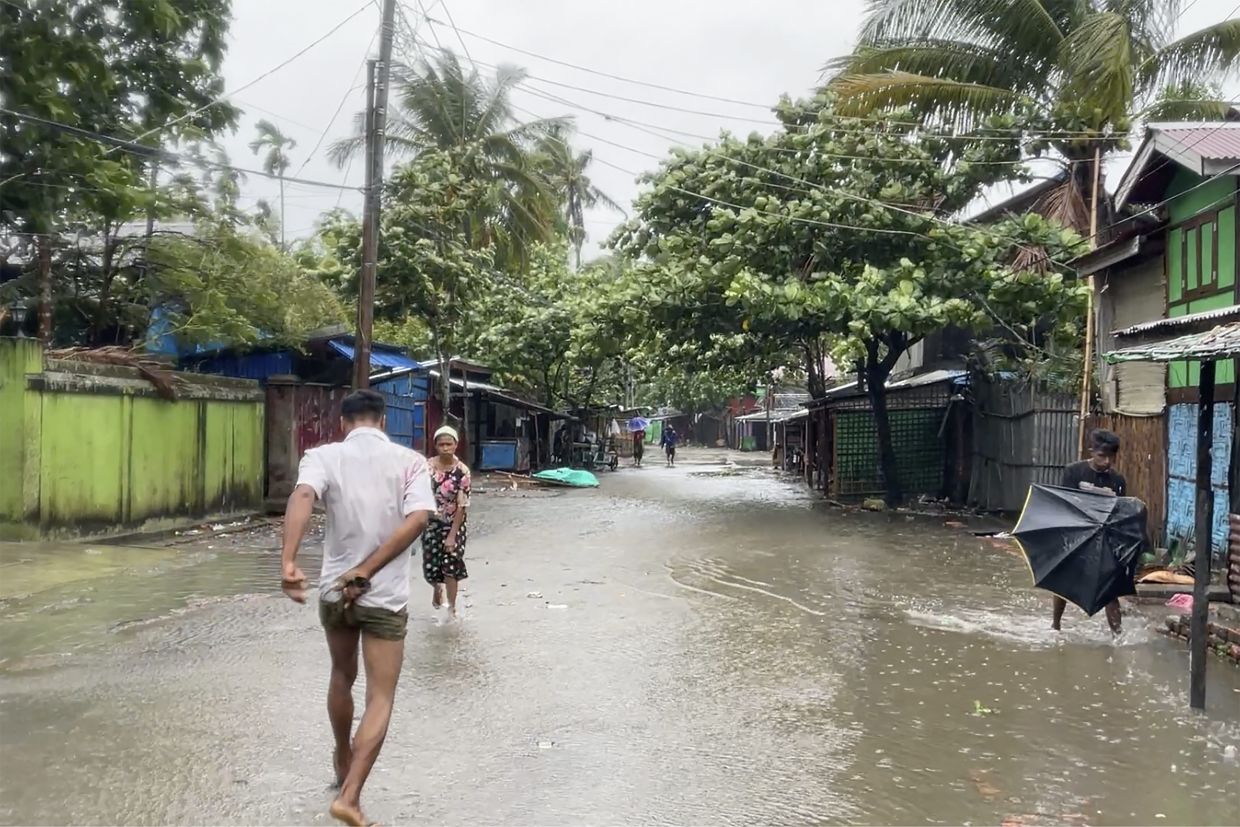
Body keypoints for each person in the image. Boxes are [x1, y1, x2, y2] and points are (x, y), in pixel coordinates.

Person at [280, 389, 436, 827]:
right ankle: (349, 797)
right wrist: (367, 570)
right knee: (380, 697)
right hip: (384, 597)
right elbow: (419, 518)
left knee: (341, 675)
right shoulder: (410, 461)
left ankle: (341, 754)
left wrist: (288, 561)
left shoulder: (322, 455)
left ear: (344, 424)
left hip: (334, 592)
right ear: (383, 422)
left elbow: (303, 498)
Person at [1054, 428, 1127, 634]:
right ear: (1091, 452)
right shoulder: (1074, 472)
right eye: (1102, 456)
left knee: (1109, 589)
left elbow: (1119, 511)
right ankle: (1056, 625)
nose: (1106, 462)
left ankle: (1118, 634)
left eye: (1111, 457)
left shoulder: (1118, 481)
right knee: (1062, 582)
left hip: (1103, 537)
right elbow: (1066, 502)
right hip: (1075, 533)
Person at [423, 425, 472, 616]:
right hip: (430, 522)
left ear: (455, 445)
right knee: (431, 565)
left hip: (454, 522)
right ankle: (437, 588)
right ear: (435, 446)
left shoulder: (462, 471)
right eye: (441, 444)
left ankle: (451, 608)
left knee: (451, 564)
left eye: (449, 444)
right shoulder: (426, 468)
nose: (445, 448)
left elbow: (462, 505)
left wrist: (452, 535)